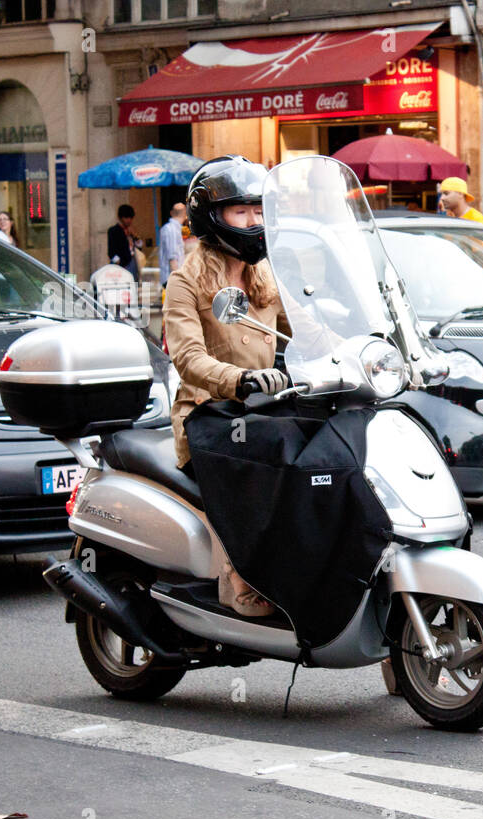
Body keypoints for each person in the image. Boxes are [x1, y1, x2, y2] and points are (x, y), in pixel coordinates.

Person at [163, 155, 292, 617]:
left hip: (264, 406)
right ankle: (239, 579)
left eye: (259, 210)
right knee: (251, 468)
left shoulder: (266, 276)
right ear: (212, 218)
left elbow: (303, 330)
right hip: (208, 414)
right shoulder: (185, 283)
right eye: (242, 211)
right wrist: (238, 379)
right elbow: (188, 358)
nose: (254, 221)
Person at [108, 204, 141, 280]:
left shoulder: (131, 230)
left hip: (132, 261)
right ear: (120, 218)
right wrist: (119, 262)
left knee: (133, 283)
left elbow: (139, 246)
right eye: (126, 218)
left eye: (131, 218)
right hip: (121, 263)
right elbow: (111, 251)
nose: (129, 220)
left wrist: (135, 235)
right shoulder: (114, 230)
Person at [157, 202, 187, 287]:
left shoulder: (173, 228)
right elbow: (172, 258)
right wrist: (178, 280)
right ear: (185, 214)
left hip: (171, 277)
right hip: (171, 278)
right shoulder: (172, 230)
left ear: (172, 213)